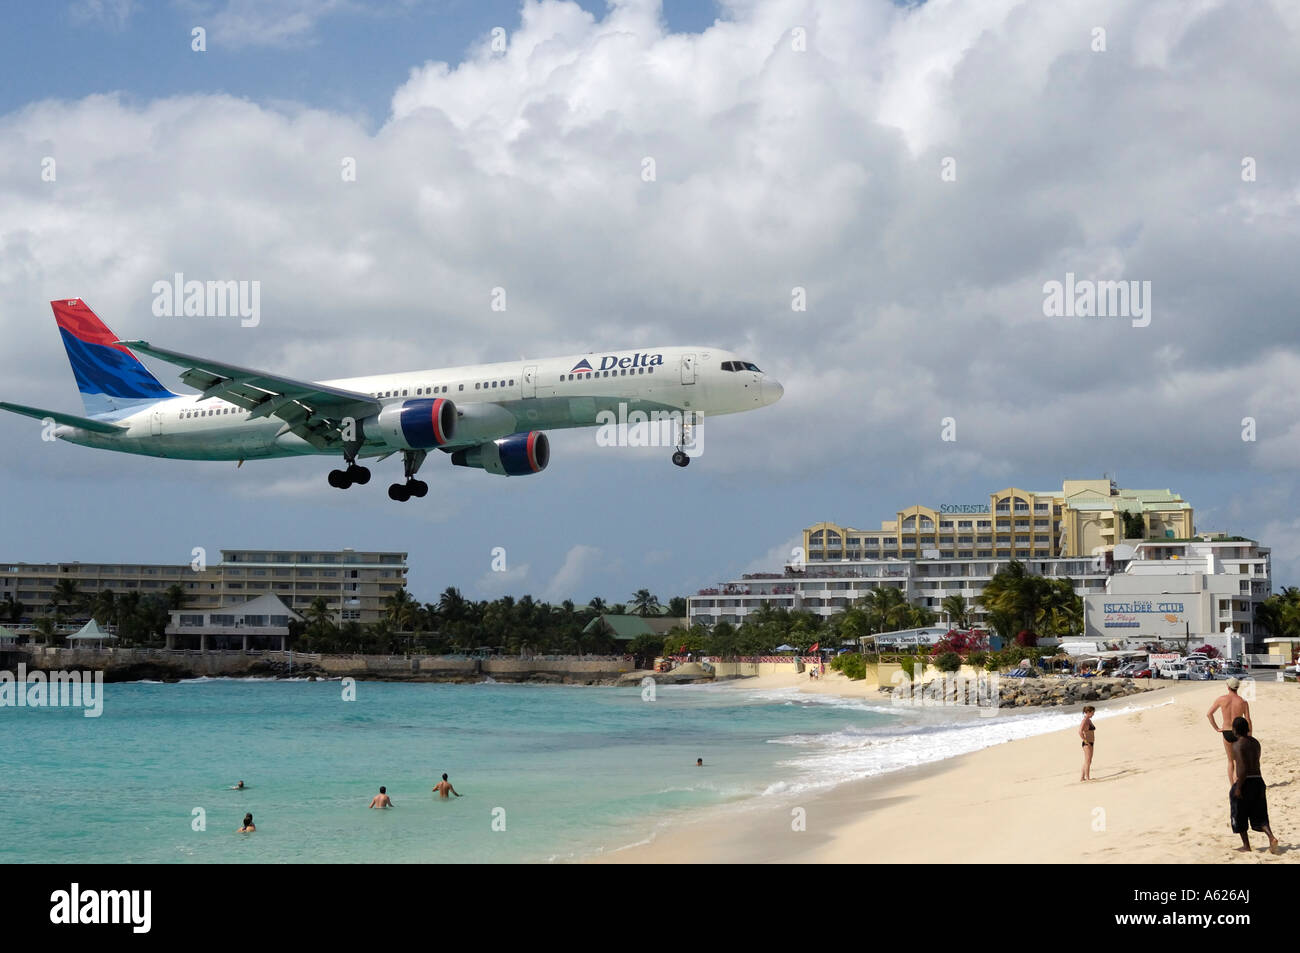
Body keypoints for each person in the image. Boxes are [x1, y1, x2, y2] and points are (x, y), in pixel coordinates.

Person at [1228, 717, 1279, 855]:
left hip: (1245, 782)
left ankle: (1246, 845)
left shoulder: (1237, 745)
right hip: (1258, 780)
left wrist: (1238, 787)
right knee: (1260, 813)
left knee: (1239, 812)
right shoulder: (1255, 742)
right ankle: (1271, 837)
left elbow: (1242, 768)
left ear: (1235, 730)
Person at [1207, 678, 1252, 784]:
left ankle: (1232, 786)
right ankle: (1238, 782)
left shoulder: (1222, 699)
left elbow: (1209, 714)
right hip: (1239, 733)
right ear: (1237, 687)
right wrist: (1249, 734)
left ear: (1228, 687)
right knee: (1238, 760)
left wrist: (1217, 728)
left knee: (1230, 761)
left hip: (1226, 731)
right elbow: (1248, 719)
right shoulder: (1242, 701)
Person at [1079, 705, 1096, 781]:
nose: (1093, 714)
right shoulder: (1085, 720)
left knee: (1088, 760)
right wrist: (1085, 741)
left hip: (1090, 742)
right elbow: (1080, 731)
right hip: (1087, 743)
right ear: (1088, 712)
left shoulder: (1089, 720)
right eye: (1092, 712)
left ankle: (1082, 777)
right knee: (1088, 761)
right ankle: (1088, 778)